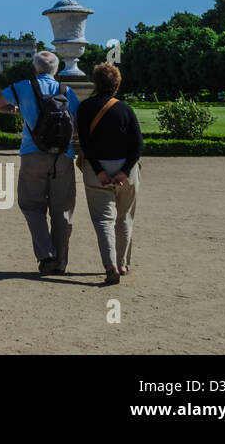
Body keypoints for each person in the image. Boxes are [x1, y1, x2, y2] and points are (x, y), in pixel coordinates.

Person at [0, 51, 79, 275]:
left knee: (31, 206)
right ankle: (60, 262)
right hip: (63, 157)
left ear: (35, 69)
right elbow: (76, 125)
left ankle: (45, 254)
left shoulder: (23, 86)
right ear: (56, 70)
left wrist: (18, 110)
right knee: (63, 210)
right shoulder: (66, 91)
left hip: (32, 153)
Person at [76, 62, 143, 285]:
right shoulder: (126, 109)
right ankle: (123, 264)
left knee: (104, 220)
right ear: (117, 84)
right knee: (124, 218)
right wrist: (124, 172)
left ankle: (110, 263)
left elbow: (85, 144)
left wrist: (100, 172)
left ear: (95, 83)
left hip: (97, 172)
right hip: (126, 170)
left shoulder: (85, 108)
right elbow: (138, 146)